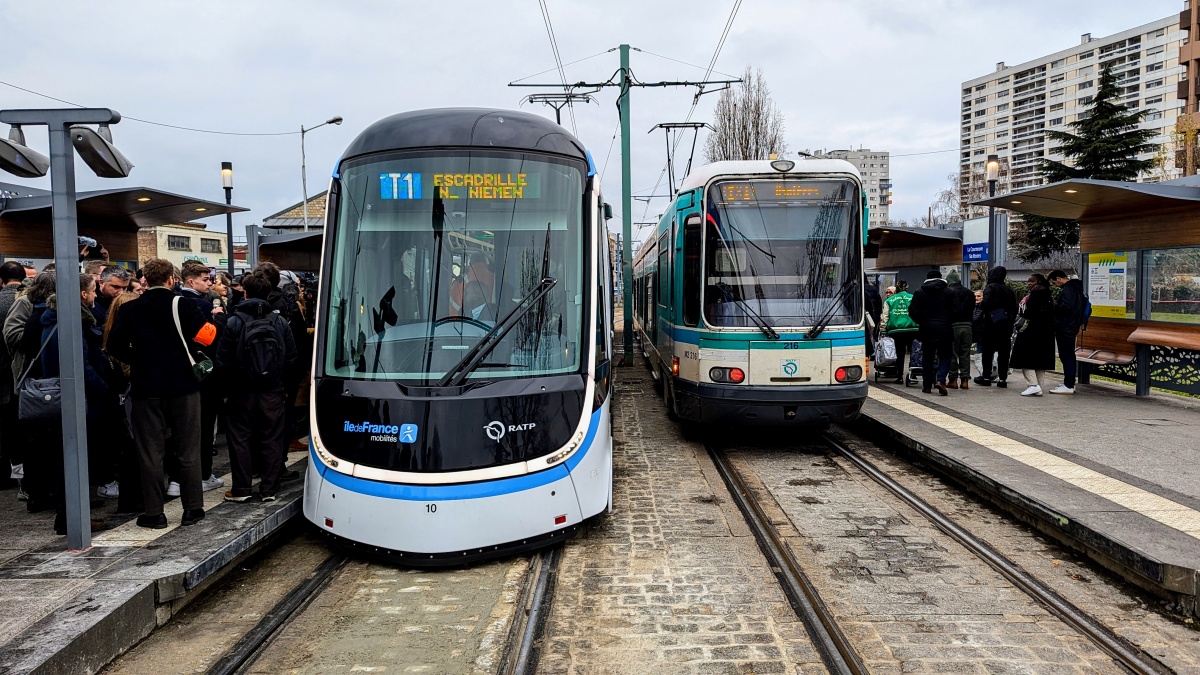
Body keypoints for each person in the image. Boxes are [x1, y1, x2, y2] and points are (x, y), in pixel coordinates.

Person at [106, 258, 216, 529]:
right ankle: (193, 509)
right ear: (171, 279)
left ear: (145, 280)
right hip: (184, 386)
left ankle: (154, 513)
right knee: (188, 449)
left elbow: (114, 345)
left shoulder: (130, 308)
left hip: (146, 388)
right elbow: (207, 338)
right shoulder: (185, 305)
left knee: (150, 452)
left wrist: (139, 360)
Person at [37, 273, 113, 534]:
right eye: (93, 291)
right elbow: (80, 366)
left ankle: (71, 515)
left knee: (68, 459)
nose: (95, 295)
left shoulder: (54, 319)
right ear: (83, 294)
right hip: (75, 401)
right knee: (71, 459)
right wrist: (105, 389)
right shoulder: (70, 323)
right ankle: (70, 518)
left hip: (68, 399)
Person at [215, 272, 297, 502]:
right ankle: (269, 489)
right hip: (272, 391)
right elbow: (292, 358)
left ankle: (241, 489)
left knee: (240, 439)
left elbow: (222, 360)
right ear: (268, 293)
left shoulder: (234, 321)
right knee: (272, 438)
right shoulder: (280, 322)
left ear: (245, 293)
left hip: (241, 392)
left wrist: (227, 390)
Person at [174, 261, 226, 495]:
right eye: (205, 280)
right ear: (190, 281)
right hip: (204, 373)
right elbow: (209, 340)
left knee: (180, 429)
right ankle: (204, 474)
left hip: (179, 373)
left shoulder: (173, 302)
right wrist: (219, 320)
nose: (209, 284)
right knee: (204, 427)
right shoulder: (202, 306)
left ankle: (176, 478)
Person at [0, 261, 27, 482]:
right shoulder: (27, 301)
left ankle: (4, 472)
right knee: (20, 421)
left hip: (1, 371)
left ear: (2, 280)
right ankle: (20, 468)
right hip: (22, 369)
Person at [908, 270, 954, 395]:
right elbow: (956, 309)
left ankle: (927, 386)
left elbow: (912, 310)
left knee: (927, 357)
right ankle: (940, 379)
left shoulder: (919, 292)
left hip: (926, 329)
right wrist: (949, 320)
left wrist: (921, 321)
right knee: (945, 356)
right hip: (945, 329)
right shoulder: (949, 292)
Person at [1010, 273, 1056, 396]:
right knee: (1040, 361)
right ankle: (1039, 386)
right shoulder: (1048, 294)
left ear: (1039, 282)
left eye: (1032, 281)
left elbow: (1029, 311)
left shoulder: (1035, 294)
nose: (1029, 283)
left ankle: (1032, 385)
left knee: (1025, 358)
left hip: (1031, 331)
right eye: (1028, 281)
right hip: (1045, 333)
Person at [974, 266, 1018, 388]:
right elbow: (1014, 308)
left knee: (988, 353)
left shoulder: (990, 287)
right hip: (1006, 326)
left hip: (990, 325)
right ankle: (1002, 379)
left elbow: (986, 303)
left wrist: (982, 306)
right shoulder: (1009, 290)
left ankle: (986, 377)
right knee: (1004, 354)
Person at [1048, 270, 1085, 395]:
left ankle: (1068, 384)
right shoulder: (1076, 288)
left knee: (1066, 355)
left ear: (1058, 278)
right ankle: (1069, 383)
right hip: (1072, 325)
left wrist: (1054, 305)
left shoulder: (1069, 289)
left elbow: (1067, 307)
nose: (1055, 285)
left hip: (1066, 326)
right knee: (1068, 355)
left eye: (1054, 283)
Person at [880, 280, 918, 384]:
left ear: (897, 288)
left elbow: (885, 316)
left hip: (896, 330)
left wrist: (883, 330)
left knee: (900, 353)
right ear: (907, 288)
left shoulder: (889, 300)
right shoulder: (912, 298)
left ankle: (900, 376)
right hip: (912, 329)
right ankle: (912, 374)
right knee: (913, 352)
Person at [946, 274, 977, 390]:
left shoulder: (949, 292)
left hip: (953, 326)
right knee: (965, 354)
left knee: (952, 353)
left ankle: (953, 380)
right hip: (968, 326)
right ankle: (965, 380)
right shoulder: (969, 293)